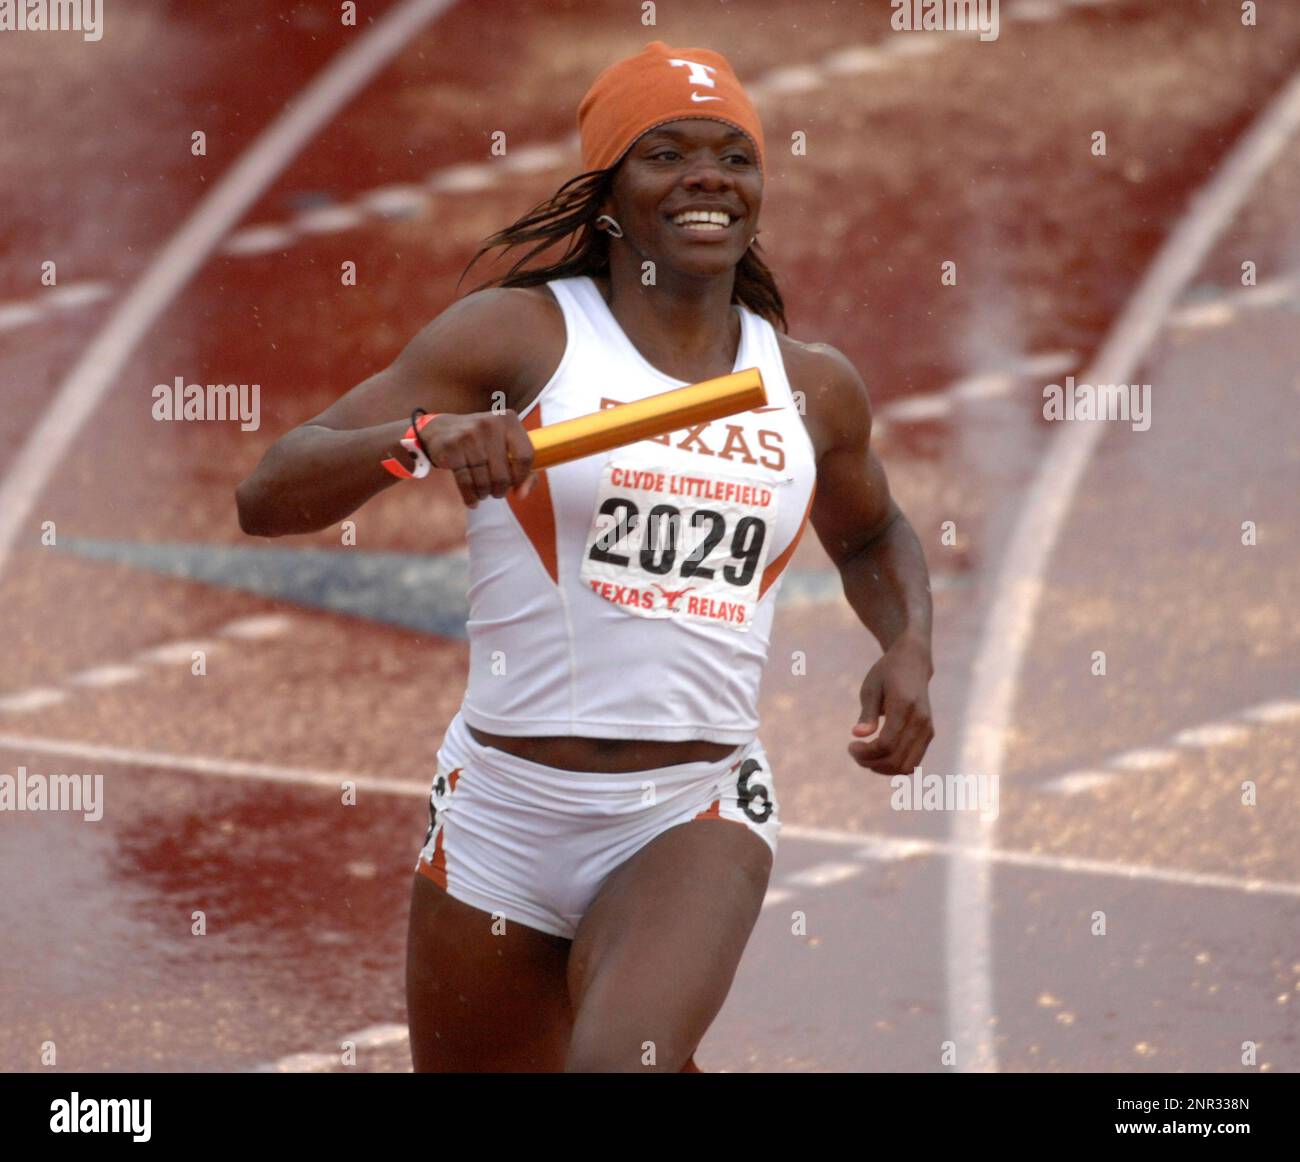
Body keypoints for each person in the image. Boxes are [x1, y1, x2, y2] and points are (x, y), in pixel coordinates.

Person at [235, 40, 934, 1073]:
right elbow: (268, 494)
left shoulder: (808, 386)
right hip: (499, 812)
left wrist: (908, 644)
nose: (707, 177)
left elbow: (872, 530)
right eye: (665, 152)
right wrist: (420, 438)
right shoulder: (516, 340)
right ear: (608, 197)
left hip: (688, 808)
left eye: (733, 157)